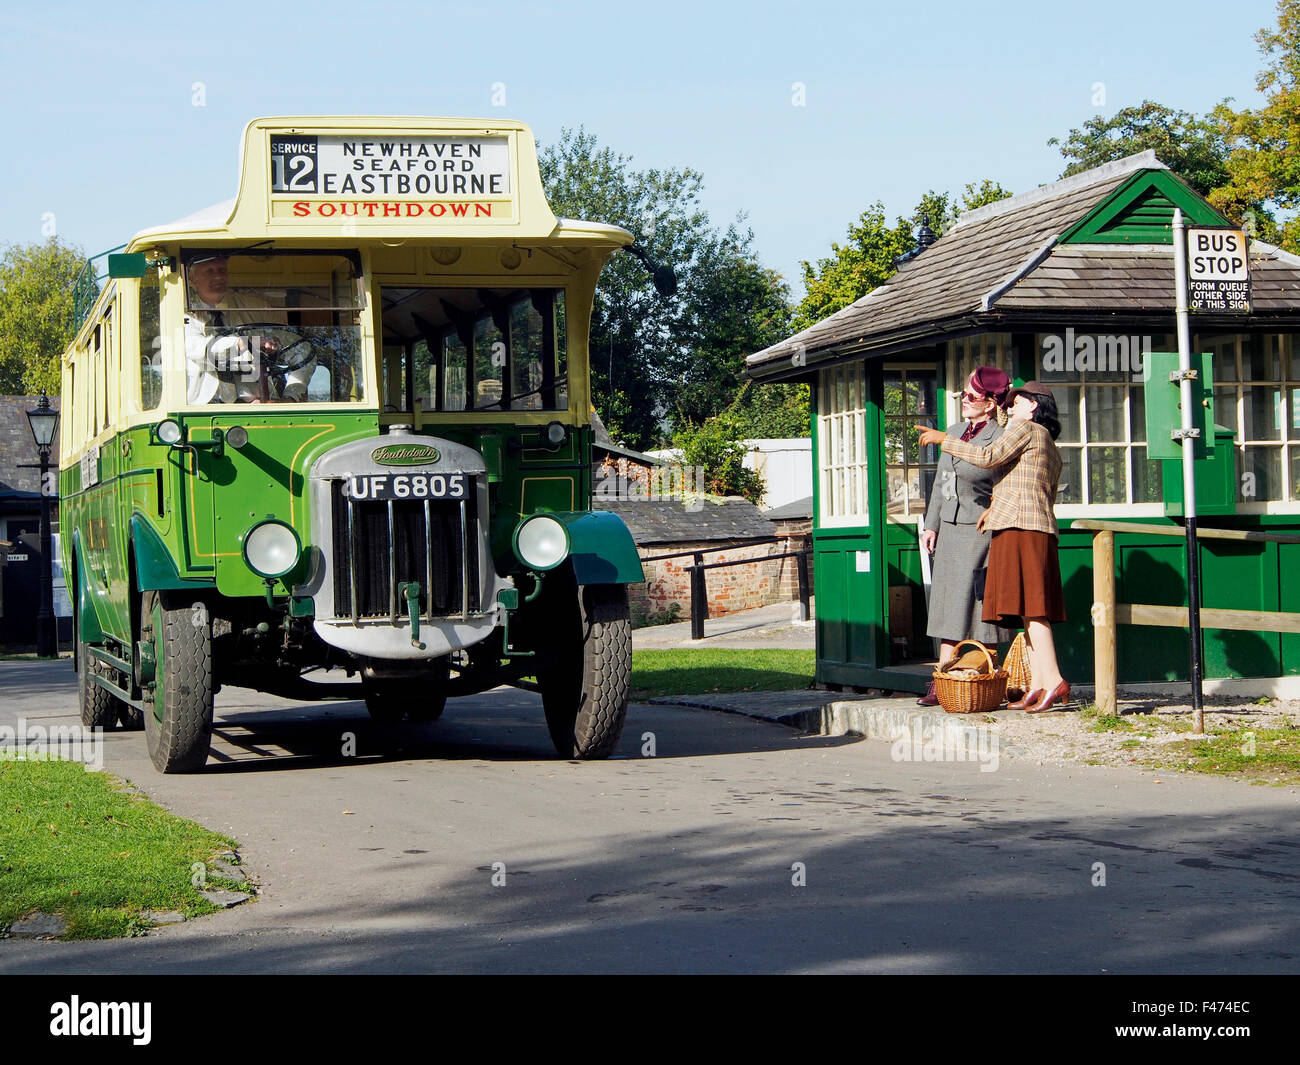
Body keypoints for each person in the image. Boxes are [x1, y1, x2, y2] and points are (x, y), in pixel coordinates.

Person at [916, 380, 1070, 713]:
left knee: (1032, 611)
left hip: (1021, 527)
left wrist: (947, 440)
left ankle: (1051, 678)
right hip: (1020, 524)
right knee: (1027, 613)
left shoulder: (1026, 429)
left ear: (1034, 406)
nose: (1010, 407)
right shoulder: (1045, 440)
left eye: (1017, 403)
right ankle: (1041, 681)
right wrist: (992, 508)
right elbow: (1029, 484)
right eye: (1008, 403)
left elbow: (988, 456)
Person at [915, 366, 1013, 706]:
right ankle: (942, 677)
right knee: (945, 604)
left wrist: (997, 507)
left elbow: (1005, 479)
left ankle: (980, 674)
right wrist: (932, 525)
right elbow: (942, 483)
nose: (964, 402)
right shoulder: (955, 432)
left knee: (975, 601)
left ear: (989, 404)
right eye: (963, 396)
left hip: (980, 530)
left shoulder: (1000, 436)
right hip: (951, 529)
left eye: (971, 397)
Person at [184, 253, 315, 404]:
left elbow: (302, 350)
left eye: (222, 270)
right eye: (209, 271)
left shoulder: (256, 309)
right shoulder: (184, 314)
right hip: (204, 407)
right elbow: (199, 350)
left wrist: (290, 397)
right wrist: (241, 343)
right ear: (192, 278)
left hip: (256, 406)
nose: (218, 277)